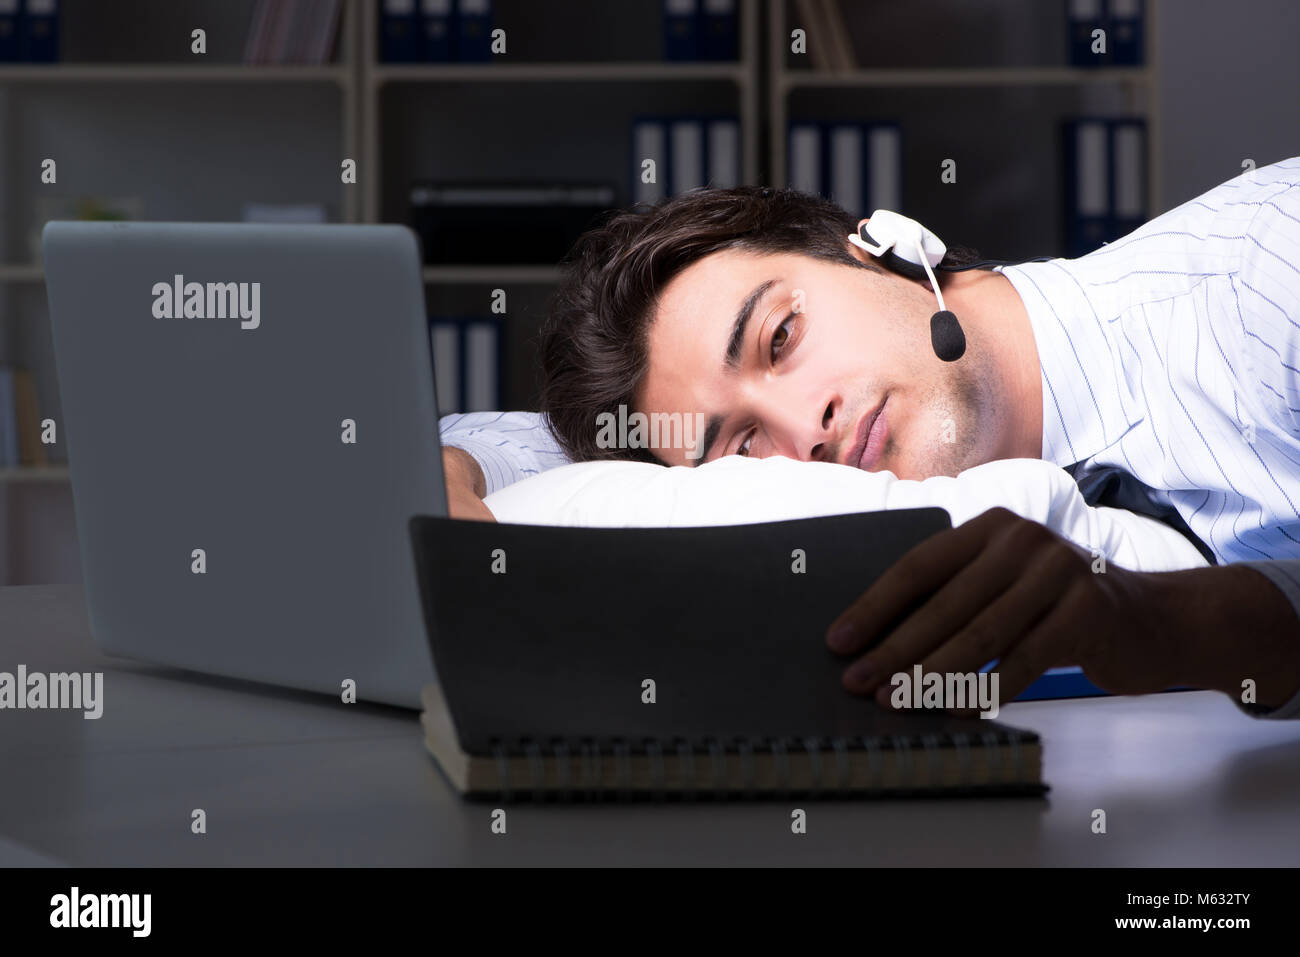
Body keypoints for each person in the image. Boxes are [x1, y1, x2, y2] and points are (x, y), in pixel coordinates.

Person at [439, 158, 1300, 719]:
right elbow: (536, 451)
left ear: (882, 249)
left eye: (779, 340)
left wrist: (1170, 623)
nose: (799, 431)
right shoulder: (844, 476)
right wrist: (451, 467)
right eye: (738, 445)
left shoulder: (1271, 269)